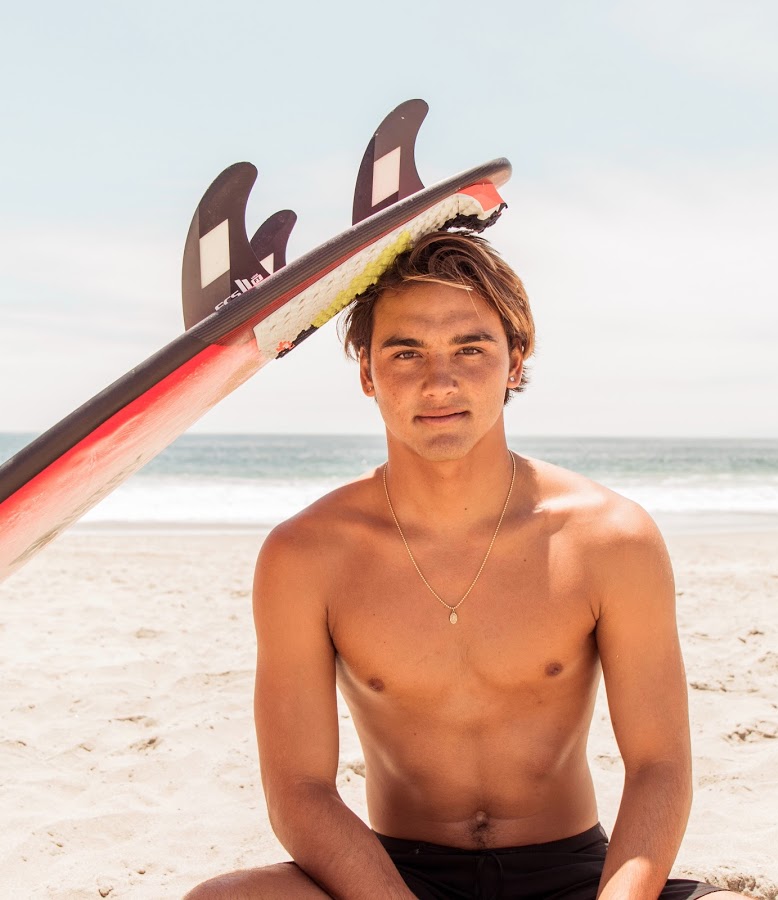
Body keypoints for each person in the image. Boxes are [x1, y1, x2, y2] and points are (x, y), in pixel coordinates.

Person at [186, 232, 745, 899]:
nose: (439, 382)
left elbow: (659, 765)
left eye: (471, 348)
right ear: (367, 372)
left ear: (515, 360)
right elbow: (299, 793)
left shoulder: (608, 537)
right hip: (395, 880)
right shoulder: (306, 555)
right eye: (406, 352)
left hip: (576, 877)